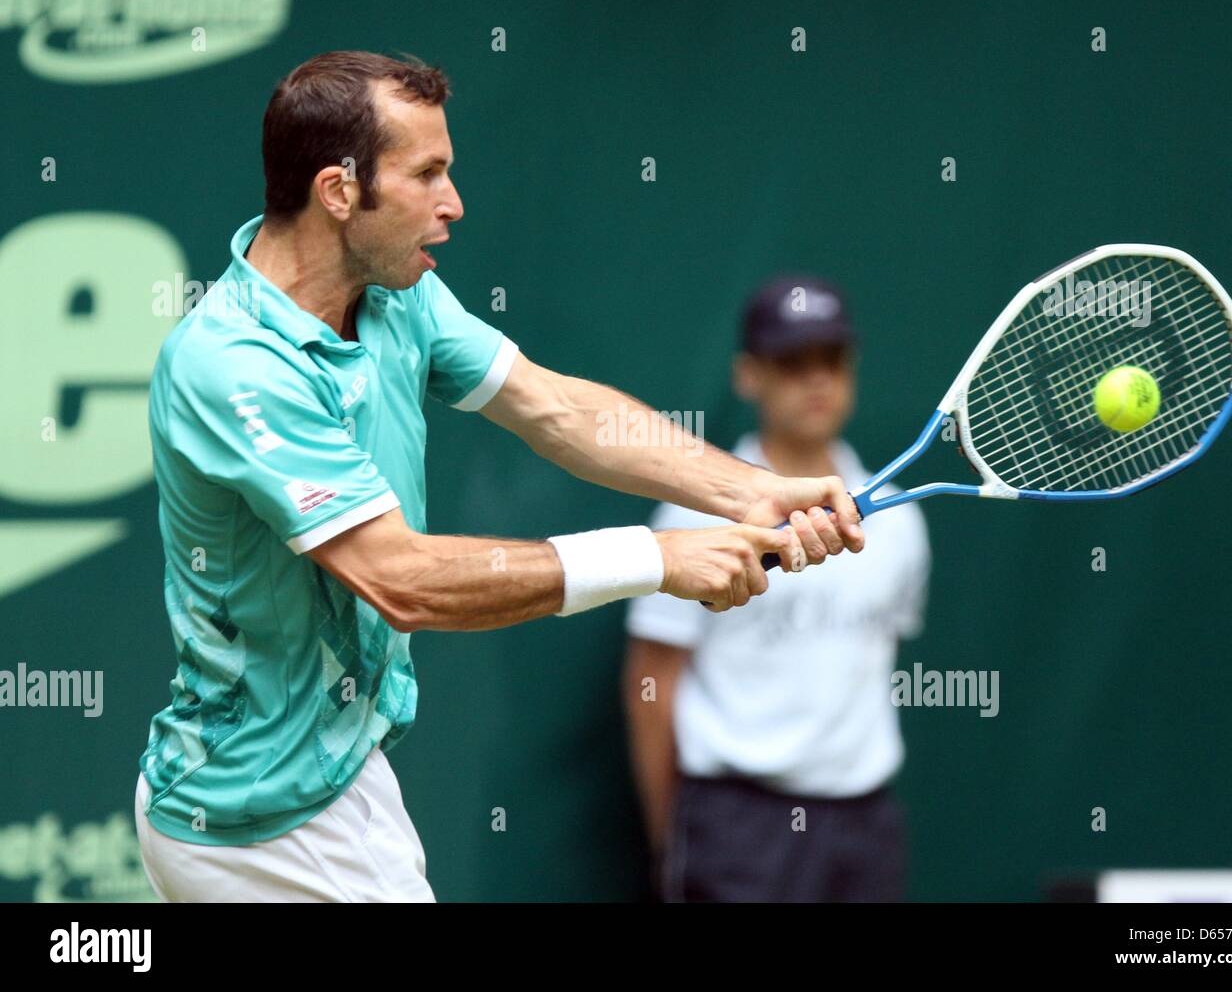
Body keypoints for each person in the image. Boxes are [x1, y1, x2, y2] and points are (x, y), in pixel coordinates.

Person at [132, 51, 866, 903]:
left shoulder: (394, 291)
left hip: (327, 778)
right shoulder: (235, 365)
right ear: (339, 193)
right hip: (255, 821)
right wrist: (658, 559)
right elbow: (401, 580)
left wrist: (747, 490)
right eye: (428, 174)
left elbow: (552, 407)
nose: (454, 203)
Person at [624, 276, 931, 903]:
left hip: (863, 828)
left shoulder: (901, 520)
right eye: (793, 362)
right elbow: (651, 685)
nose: (817, 379)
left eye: (832, 359)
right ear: (748, 375)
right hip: (735, 827)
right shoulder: (690, 516)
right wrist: (671, 838)